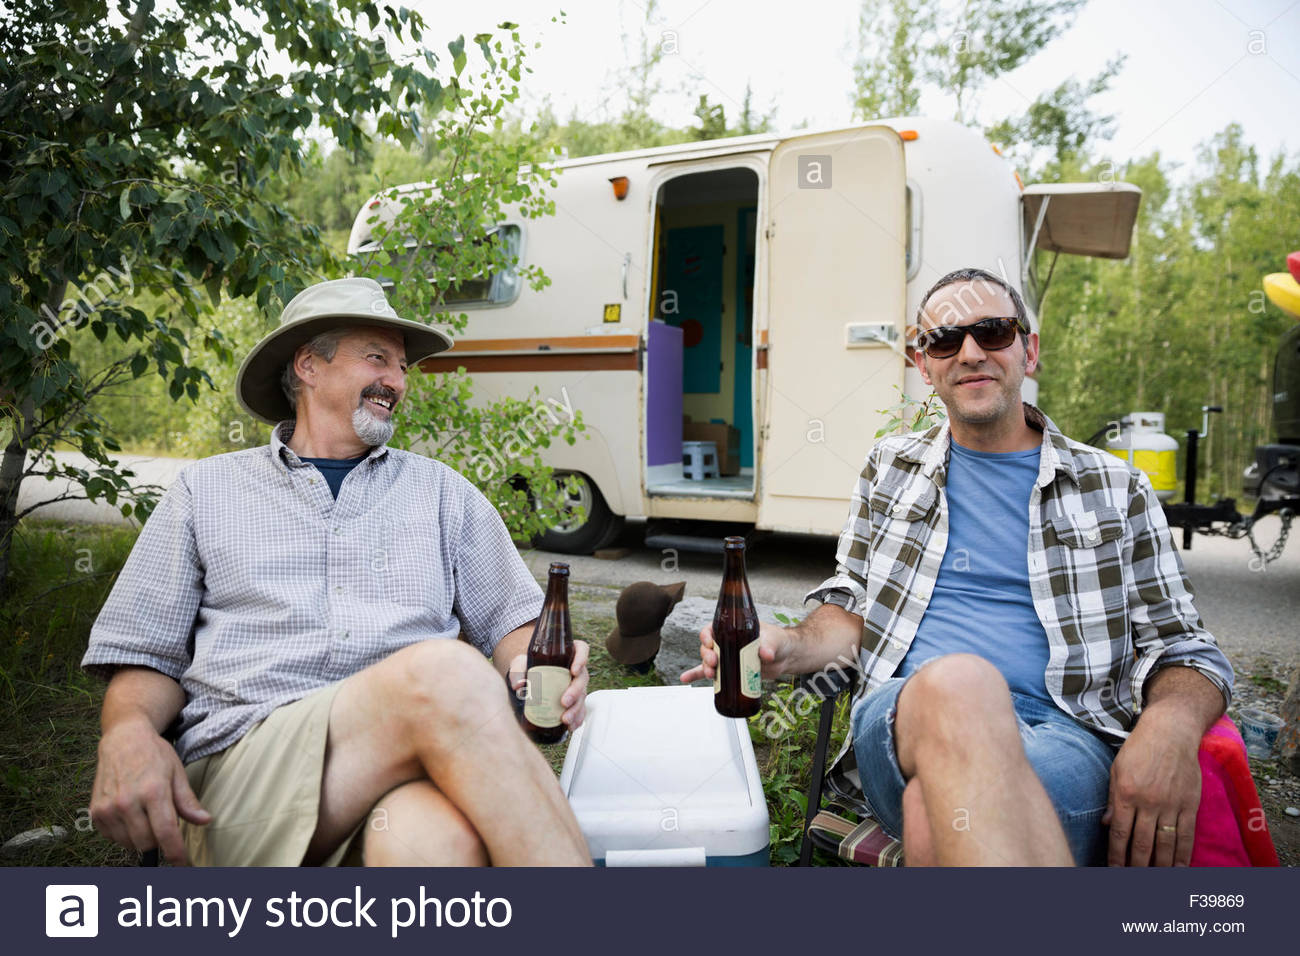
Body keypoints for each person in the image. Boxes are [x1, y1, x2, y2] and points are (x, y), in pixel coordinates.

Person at [683, 267, 1233, 867]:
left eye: (993, 332)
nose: (970, 353)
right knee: (961, 684)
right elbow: (851, 607)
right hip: (903, 715)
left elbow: (1184, 646)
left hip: (1063, 740)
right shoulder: (889, 468)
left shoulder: (1113, 485)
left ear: (1030, 350)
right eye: (945, 340)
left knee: (931, 819)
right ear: (925, 366)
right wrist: (783, 644)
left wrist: (1170, 730)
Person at [83, 277, 591, 867]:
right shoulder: (206, 491)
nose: (398, 382)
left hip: (392, 777)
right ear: (308, 367)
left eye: (402, 367)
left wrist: (531, 662)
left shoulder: (444, 494)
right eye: (377, 358)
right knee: (444, 672)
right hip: (242, 770)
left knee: (439, 846)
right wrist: (129, 734)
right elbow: (147, 656)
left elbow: (514, 625)